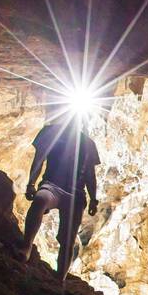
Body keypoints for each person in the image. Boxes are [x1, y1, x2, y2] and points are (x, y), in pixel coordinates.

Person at [22, 115, 100, 277]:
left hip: (76, 194)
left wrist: (93, 199)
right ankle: (26, 247)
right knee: (40, 200)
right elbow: (39, 159)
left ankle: (61, 278)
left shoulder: (88, 144)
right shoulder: (50, 132)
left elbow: (90, 176)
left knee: (68, 238)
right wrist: (31, 183)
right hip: (52, 186)